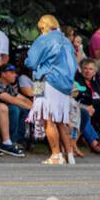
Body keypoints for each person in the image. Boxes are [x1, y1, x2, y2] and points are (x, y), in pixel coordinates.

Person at [26, 15, 78, 165]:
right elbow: (73, 65)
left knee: (48, 119)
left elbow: (31, 62)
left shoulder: (44, 38)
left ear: (43, 27)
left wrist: (27, 61)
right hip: (64, 84)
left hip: (46, 80)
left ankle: (56, 155)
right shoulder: (66, 41)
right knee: (60, 119)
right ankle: (69, 155)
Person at [0, 62, 32, 152]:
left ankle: (19, 141)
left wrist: (33, 107)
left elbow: (23, 99)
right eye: (12, 73)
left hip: (5, 112)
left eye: (15, 73)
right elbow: (14, 99)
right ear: (3, 74)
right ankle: (11, 142)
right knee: (15, 109)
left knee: (23, 110)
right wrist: (32, 107)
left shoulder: (9, 87)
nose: (15, 75)